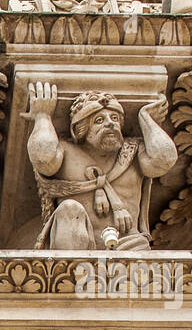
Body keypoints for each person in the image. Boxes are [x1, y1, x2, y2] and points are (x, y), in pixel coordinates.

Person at [24, 83, 176, 250]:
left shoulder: (132, 152)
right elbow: (43, 159)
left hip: (129, 248)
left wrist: (145, 117)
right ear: (79, 130)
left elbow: (164, 160)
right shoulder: (66, 152)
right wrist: (43, 115)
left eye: (115, 118)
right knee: (69, 208)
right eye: (99, 120)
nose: (110, 124)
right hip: (77, 252)